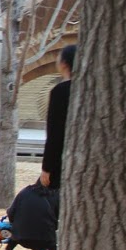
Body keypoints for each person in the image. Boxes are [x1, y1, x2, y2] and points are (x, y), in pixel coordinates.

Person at [42, 44, 73, 189]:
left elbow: (54, 132)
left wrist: (47, 167)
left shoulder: (60, 91)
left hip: (61, 159)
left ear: (64, 64)